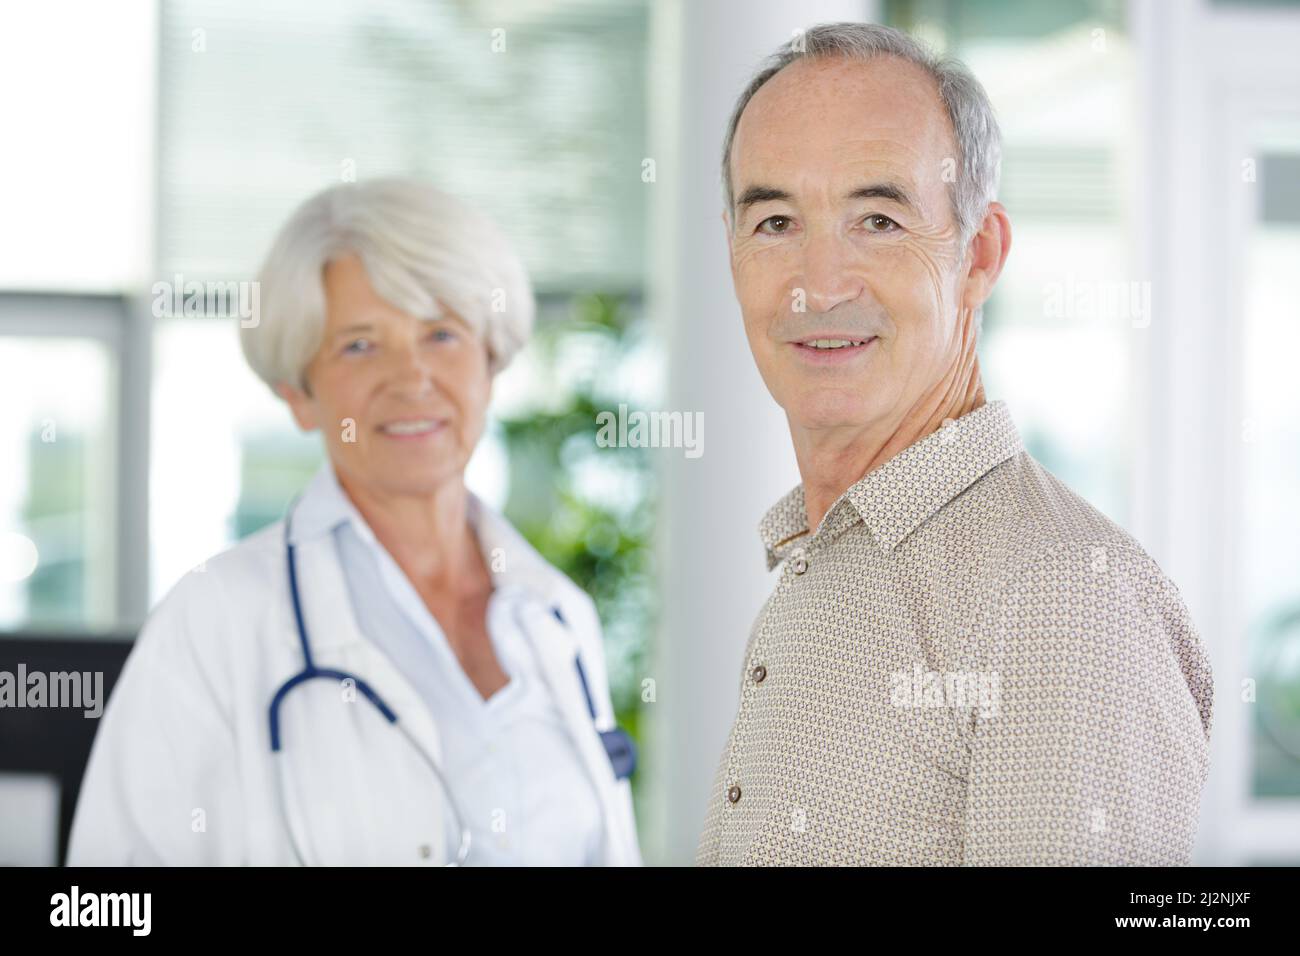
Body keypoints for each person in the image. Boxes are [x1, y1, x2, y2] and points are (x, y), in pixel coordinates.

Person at [695, 23, 1213, 865]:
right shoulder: (822, 562)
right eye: (777, 221)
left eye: (879, 220)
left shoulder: (1060, 599)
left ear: (978, 255)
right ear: (732, 253)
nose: (819, 286)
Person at [69, 178, 641, 866]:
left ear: (490, 365)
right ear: (299, 395)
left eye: (441, 334)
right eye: (360, 346)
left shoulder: (556, 616)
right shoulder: (213, 620)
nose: (412, 379)